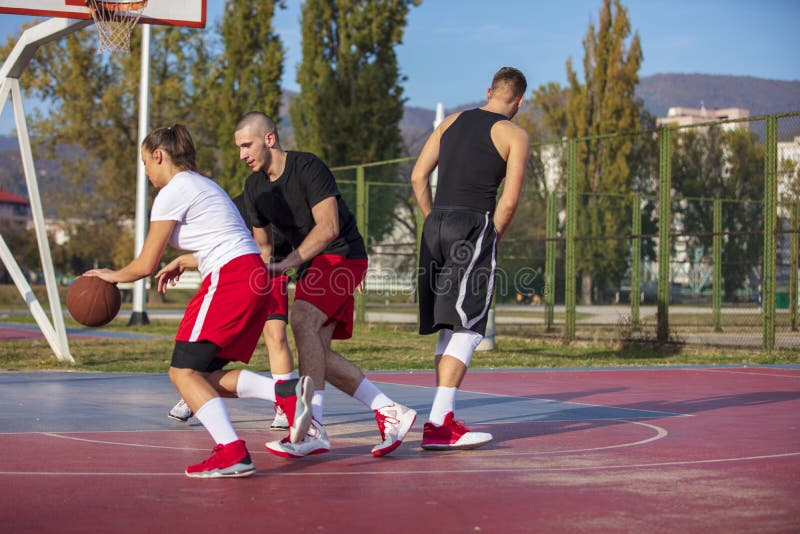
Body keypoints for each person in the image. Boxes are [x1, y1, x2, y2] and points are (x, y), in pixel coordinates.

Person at [84, 124, 313, 478]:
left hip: (231, 279)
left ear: (159, 156)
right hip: (250, 276)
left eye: (146, 163)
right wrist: (186, 260)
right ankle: (286, 391)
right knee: (203, 376)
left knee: (181, 372)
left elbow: (145, 264)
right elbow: (222, 238)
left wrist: (110, 276)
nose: (146, 172)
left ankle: (233, 451)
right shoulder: (204, 184)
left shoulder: (174, 190)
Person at [234, 111, 417, 458]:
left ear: (269, 139)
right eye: (239, 148)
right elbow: (263, 248)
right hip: (312, 265)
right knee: (316, 353)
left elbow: (330, 227)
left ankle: (312, 427)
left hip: (343, 255)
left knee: (302, 320)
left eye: (247, 145)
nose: (242, 154)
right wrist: (251, 273)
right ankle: (390, 411)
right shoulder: (254, 187)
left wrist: (287, 263)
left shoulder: (308, 168)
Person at [409, 67, 530, 450]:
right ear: (520, 101)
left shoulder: (450, 121)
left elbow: (417, 177)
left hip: (437, 222)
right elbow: (508, 202)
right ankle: (440, 424)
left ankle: (440, 419)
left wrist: (433, 220)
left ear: (489, 91)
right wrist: (491, 236)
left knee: (450, 322)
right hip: (474, 223)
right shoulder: (515, 134)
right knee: (470, 325)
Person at [167, 195, 297, 432]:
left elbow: (317, 233)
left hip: (273, 272)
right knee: (215, 340)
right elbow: (220, 243)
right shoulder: (238, 202)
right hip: (236, 275)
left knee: (276, 335)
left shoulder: (293, 200)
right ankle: (194, 387)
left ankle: (284, 402)